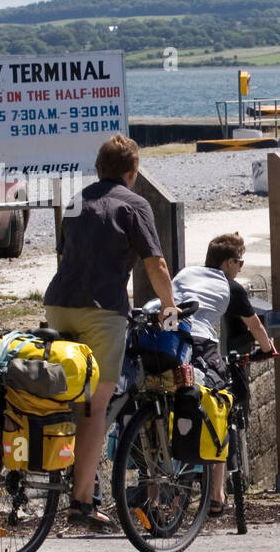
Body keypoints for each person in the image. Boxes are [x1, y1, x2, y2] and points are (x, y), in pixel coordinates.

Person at [44, 134, 180, 531]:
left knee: (72, 392)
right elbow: (156, 265)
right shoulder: (135, 204)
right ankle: (82, 502)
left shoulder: (75, 199)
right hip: (101, 313)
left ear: (99, 167)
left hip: (58, 304)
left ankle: (63, 467)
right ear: (131, 172)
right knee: (94, 406)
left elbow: (66, 253)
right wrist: (169, 309)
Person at [171, 232, 277, 517]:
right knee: (222, 405)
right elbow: (255, 326)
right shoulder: (229, 286)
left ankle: (155, 498)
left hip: (167, 339)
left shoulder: (186, 273)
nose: (241, 268)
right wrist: (268, 350)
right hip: (199, 342)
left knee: (164, 403)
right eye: (240, 263)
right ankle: (217, 495)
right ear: (229, 262)